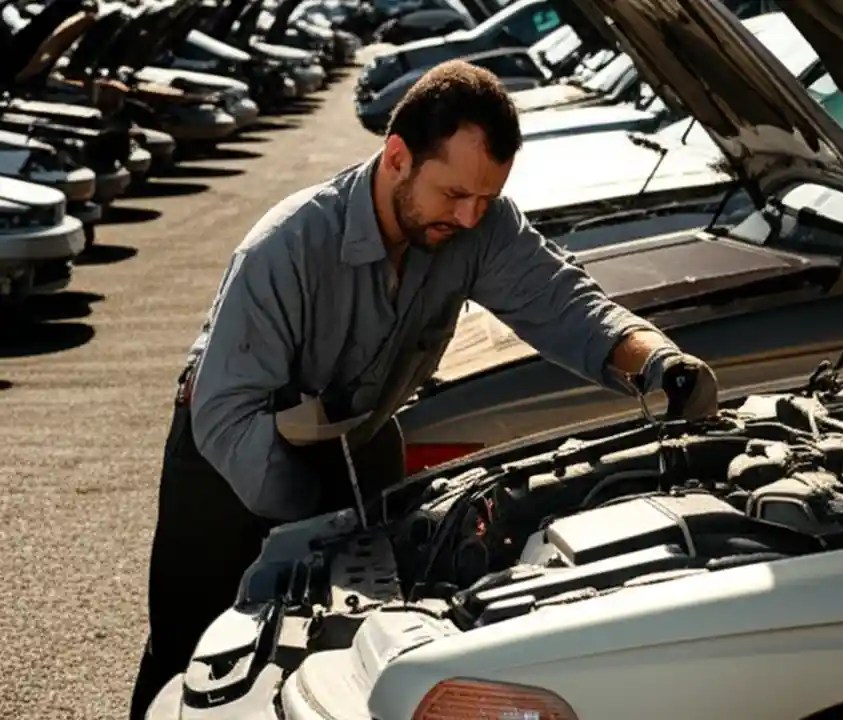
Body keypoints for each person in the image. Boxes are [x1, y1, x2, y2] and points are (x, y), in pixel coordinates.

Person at [127, 60, 719, 717]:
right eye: (454, 195)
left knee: (338, 657)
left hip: (359, 439)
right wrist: (316, 527)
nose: (469, 218)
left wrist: (660, 364)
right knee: (194, 655)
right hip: (228, 451)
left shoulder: (479, 227)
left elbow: (564, 304)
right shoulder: (286, 248)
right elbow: (228, 414)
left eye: (485, 199)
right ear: (398, 157)